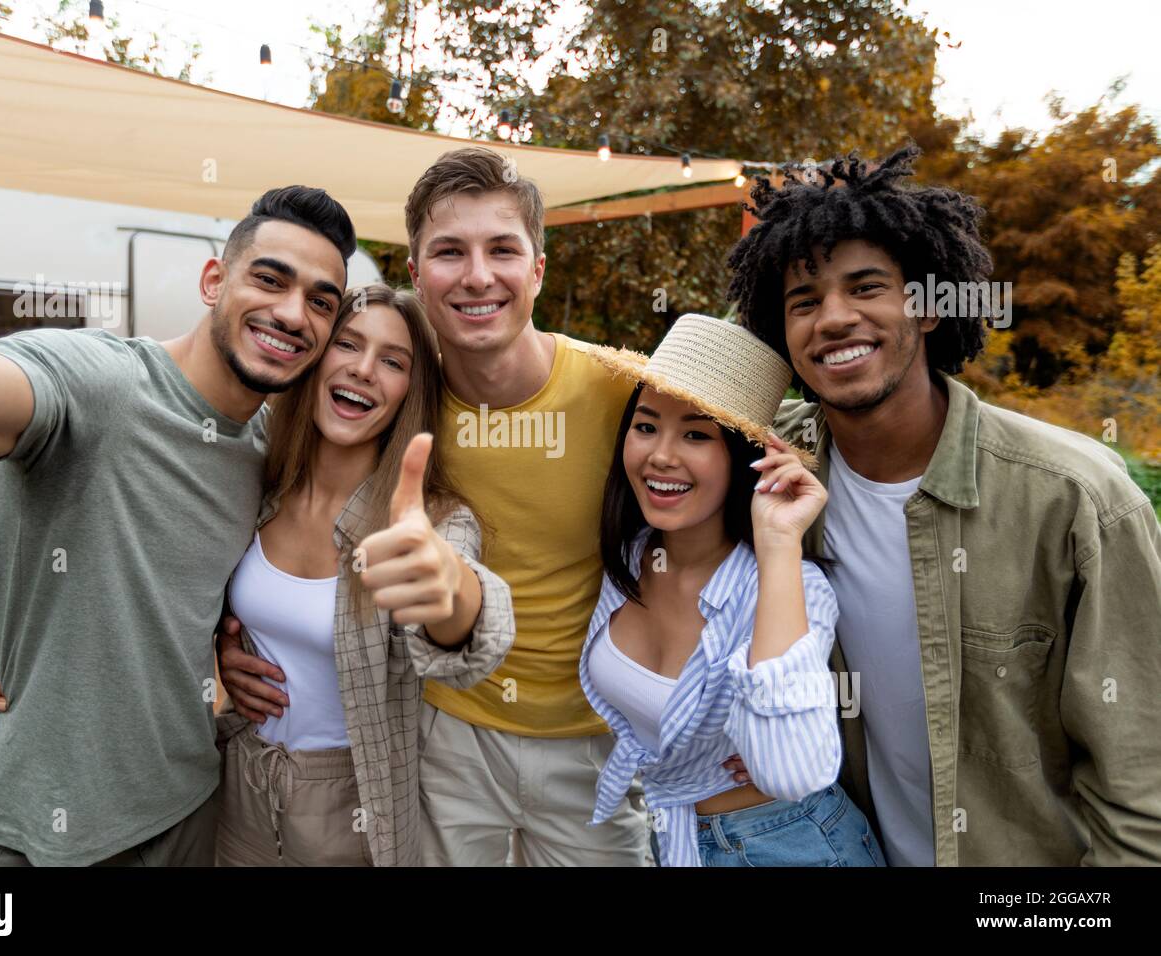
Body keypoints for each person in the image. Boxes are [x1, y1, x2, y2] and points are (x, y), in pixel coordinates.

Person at [0, 185, 355, 866]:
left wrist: (228, 646)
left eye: (321, 301)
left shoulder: (274, 448)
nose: (293, 313)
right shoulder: (96, 384)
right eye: (270, 279)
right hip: (14, 831)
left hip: (184, 814)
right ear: (214, 281)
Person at [220, 147, 656, 865]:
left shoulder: (620, 392)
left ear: (538, 269)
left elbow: (716, 499)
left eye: (502, 250)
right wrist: (221, 645)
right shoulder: (393, 406)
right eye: (450, 252)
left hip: (589, 739)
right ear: (418, 275)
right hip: (441, 734)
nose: (478, 275)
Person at [727, 144, 1161, 865]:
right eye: (804, 301)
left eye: (866, 288)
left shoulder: (1075, 499)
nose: (833, 318)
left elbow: (1144, 785)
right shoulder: (767, 473)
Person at [212, 284, 513, 865]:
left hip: (355, 803)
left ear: (410, 391)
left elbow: (465, 640)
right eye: (348, 344)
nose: (365, 369)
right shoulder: (258, 484)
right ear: (317, 356)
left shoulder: (433, 522)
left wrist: (447, 587)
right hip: (240, 782)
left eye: (394, 361)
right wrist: (219, 652)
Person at [581, 313, 884, 867]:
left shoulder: (791, 585)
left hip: (789, 844)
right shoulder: (628, 554)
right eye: (646, 426)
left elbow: (791, 771)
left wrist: (777, 542)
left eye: (697, 434)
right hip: (673, 837)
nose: (661, 455)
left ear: (748, 460)